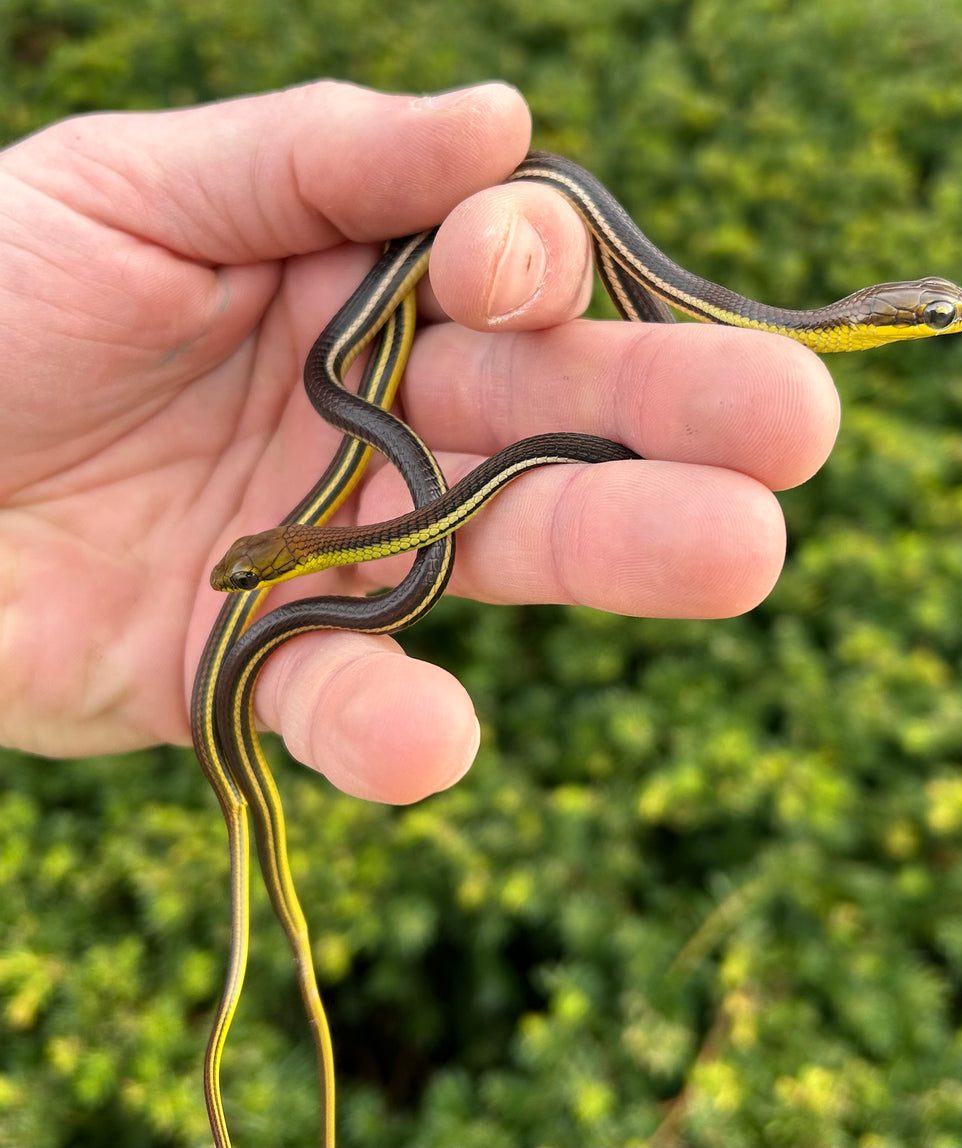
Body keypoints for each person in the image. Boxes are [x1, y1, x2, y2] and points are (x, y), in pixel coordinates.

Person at [0, 81, 839, 803]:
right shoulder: (339, 408)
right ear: (285, 562)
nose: (240, 583)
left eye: (250, 573)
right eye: (250, 574)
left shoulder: (340, 415)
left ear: (291, 562)